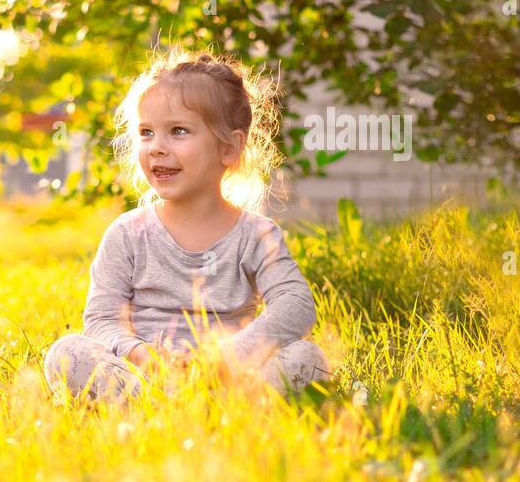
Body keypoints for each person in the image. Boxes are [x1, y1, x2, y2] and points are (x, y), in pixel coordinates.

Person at [45, 48, 330, 402]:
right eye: (146, 132)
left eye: (178, 131)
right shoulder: (127, 234)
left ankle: (225, 410)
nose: (156, 148)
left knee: (307, 358)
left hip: (229, 380)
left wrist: (224, 357)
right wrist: (137, 352)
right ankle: (149, 411)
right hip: (145, 379)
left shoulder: (256, 235)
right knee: (66, 352)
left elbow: (296, 306)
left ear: (229, 148)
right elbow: (102, 320)